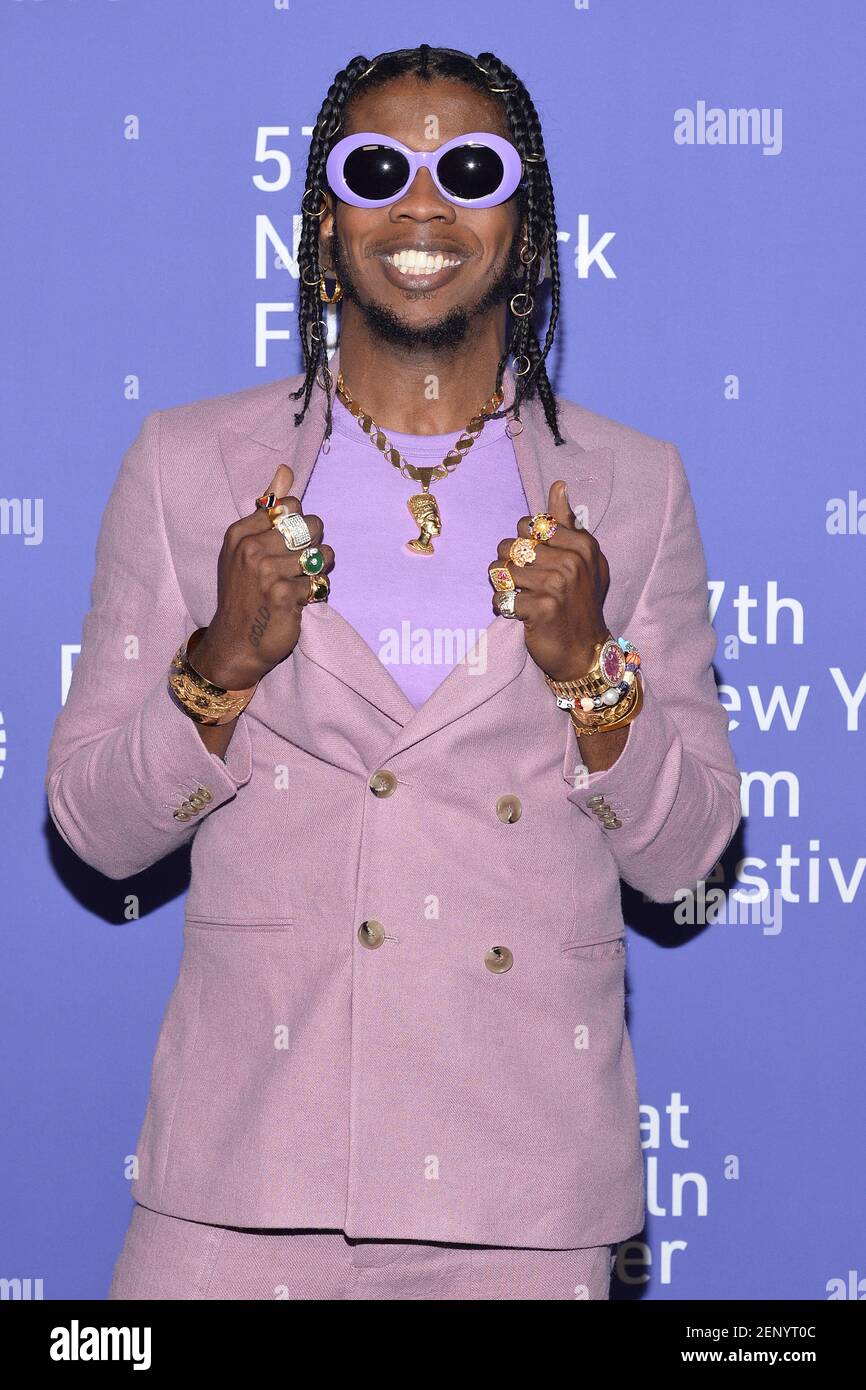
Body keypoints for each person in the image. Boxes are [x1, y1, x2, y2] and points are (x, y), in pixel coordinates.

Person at [45, 44, 742, 1301]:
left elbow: (685, 852)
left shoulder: (633, 487)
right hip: (241, 1182)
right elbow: (94, 830)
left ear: (521, 227)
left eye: (468, 168)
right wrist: (219, 667)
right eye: (378, 168)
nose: (422, 206)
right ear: (326, 222)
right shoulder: (184, 464)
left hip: (520, 1194)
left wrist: (593, 675)